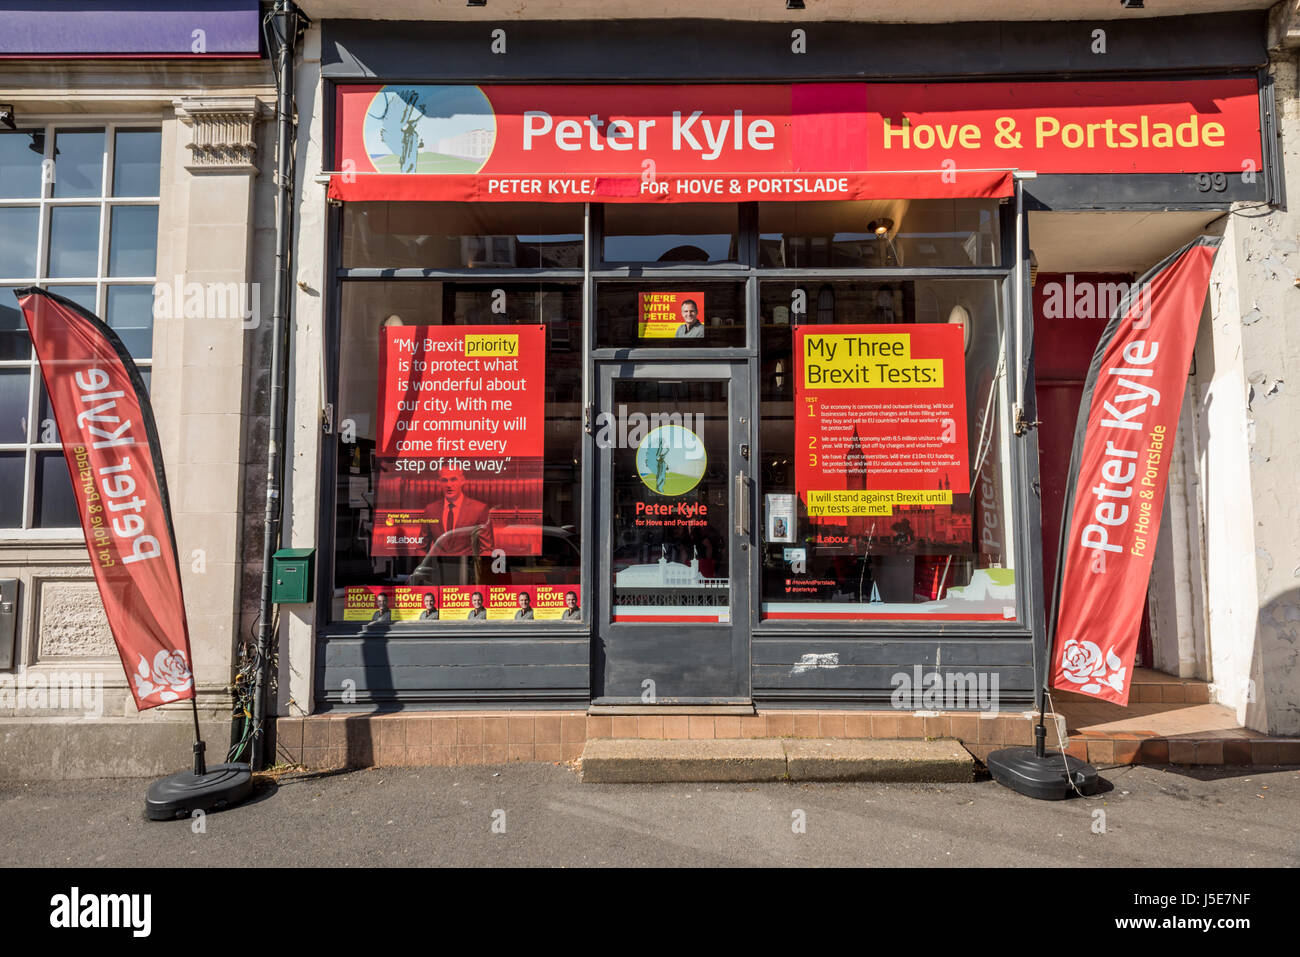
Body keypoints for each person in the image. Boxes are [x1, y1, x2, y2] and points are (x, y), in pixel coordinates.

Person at [427, 464, 494, 555]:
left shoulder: (479, 509)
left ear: (462, 481)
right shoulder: (430, 510)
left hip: (466, 567)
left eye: (453, 479)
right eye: (444, 480)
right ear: (439, 482)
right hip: (438, 568)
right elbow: (421, 548)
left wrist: (476, 569)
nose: (449, 485)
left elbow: (487, 550)